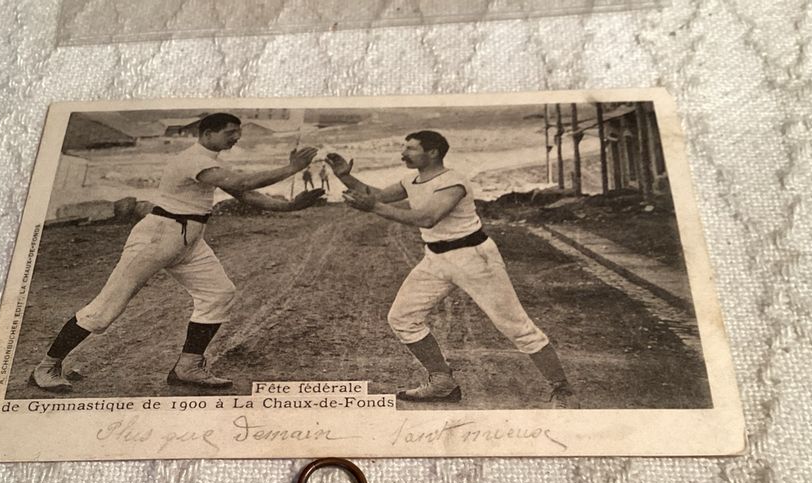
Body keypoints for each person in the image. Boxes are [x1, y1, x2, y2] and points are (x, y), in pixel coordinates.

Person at [31, 112, 323, 392]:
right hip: (157, 237)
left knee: (218, 293)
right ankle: (46, 368)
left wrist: (291, 206)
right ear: (207, 133)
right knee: (104, 311)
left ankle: (188, 367)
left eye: (239, 132)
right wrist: (292, 169)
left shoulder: (209, 163)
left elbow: (246, 195)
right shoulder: (191, 159)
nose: (236, 137)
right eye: (229, 132)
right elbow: (243, 183)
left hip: (190, 240)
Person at [326, 131, 578, 407]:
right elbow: (377, 195)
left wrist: (374, 208)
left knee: (516, 326)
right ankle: (443, 383)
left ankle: (563, 391)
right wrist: (344, 177)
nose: (403, 153)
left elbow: (427, 217)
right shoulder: (411, 179)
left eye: (410, 149)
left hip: (474, 257)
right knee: (402, 318)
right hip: (436, 258)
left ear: (433, 152)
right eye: (404, 148)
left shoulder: (453, 181)